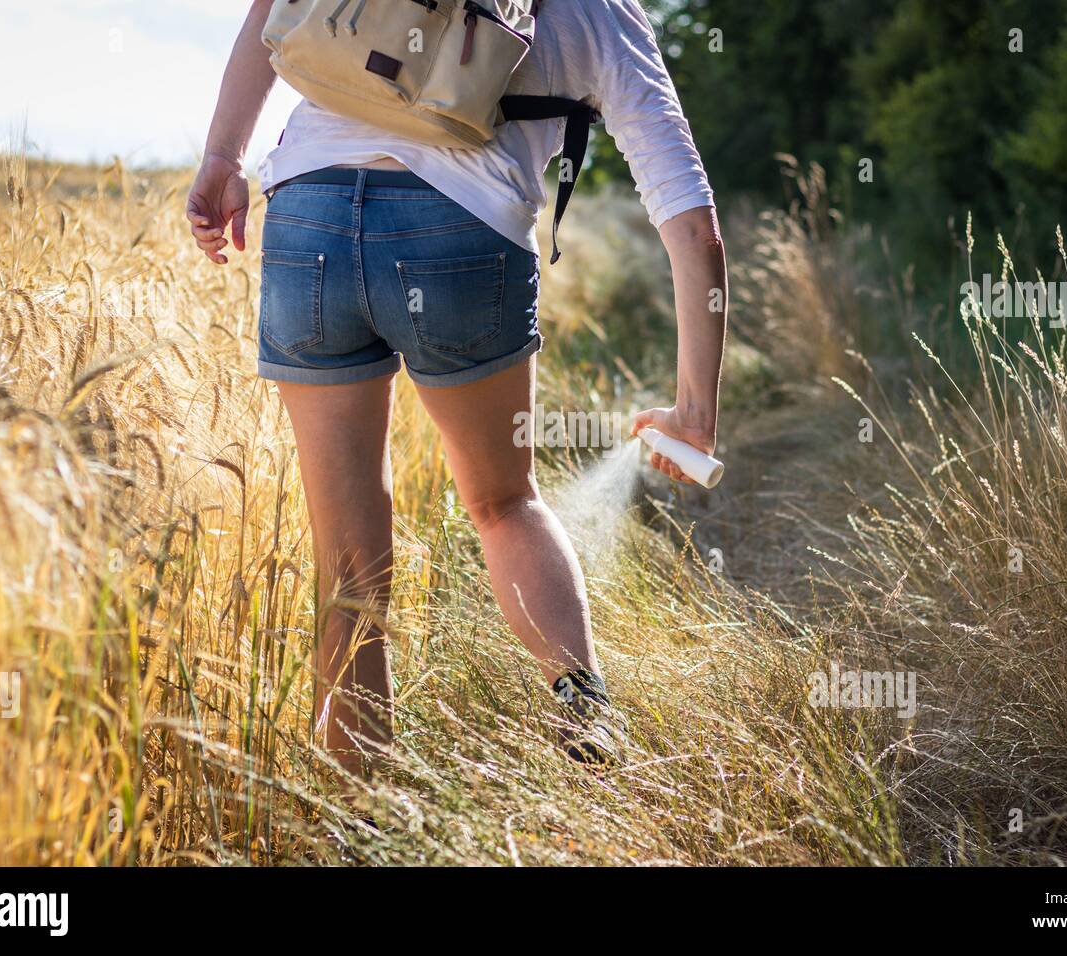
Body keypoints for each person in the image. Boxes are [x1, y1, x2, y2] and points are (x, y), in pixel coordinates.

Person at [186, 0, 727, 774]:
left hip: (308, 219)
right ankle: (584, 715)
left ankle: (357, 824)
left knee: (345, 561)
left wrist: (221, 156)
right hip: (459, 237)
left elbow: (270, 12)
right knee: (504, 505)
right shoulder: (602, 11)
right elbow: (692, 225)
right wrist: (694, 410)